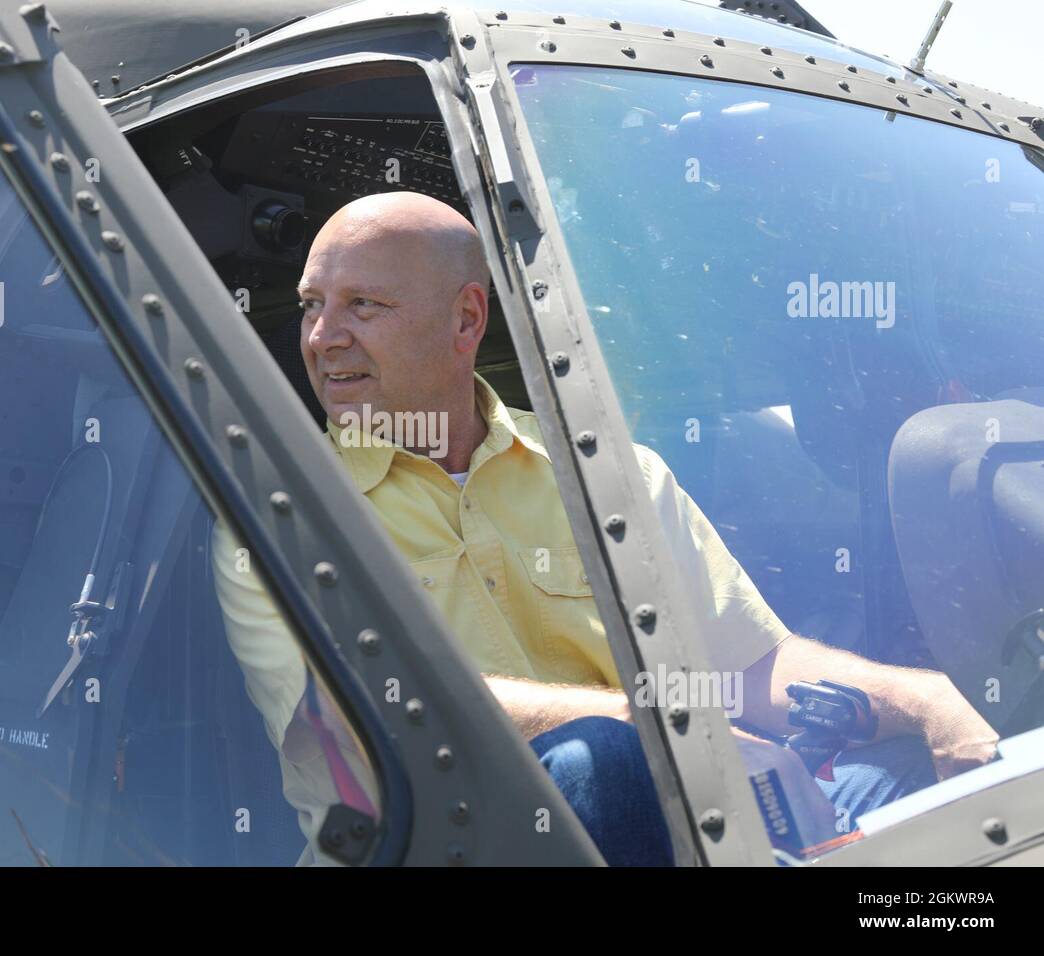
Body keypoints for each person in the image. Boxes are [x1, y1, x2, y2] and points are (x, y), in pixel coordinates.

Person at [212, 191, 999, 864]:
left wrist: (926, 700)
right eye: (314, 305)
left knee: (923, 765)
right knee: (601, 763)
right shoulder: (275, 512)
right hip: (448, 845)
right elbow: (366, 715)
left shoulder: (605, 473)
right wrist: (665, 730)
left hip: (670, 806)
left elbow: (752, 666)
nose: (321, 337)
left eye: (363, 306)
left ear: (465, 320)